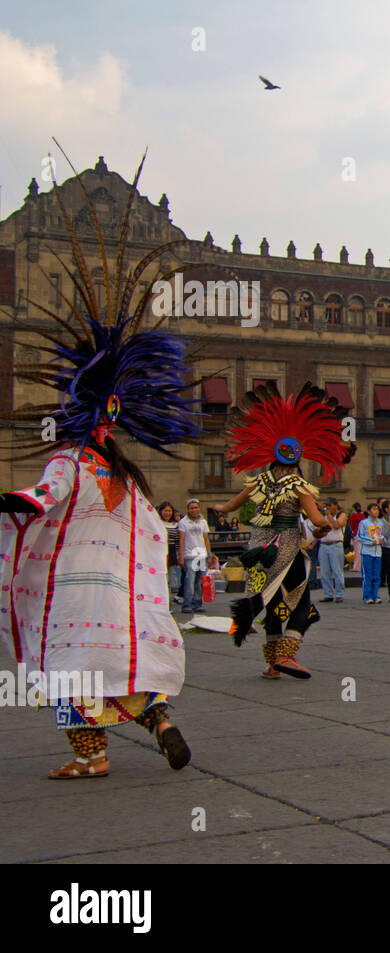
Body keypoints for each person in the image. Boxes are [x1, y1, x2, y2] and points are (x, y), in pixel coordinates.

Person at [0, 188, 202, 778]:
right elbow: (151, 534)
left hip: (71, 592)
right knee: (121, 665)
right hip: (120, 593)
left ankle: (90, 758)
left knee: (68, 666)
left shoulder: (72, 461)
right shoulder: (125, 475)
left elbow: (43, 497)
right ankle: (158, 719)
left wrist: (8, 502)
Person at [214, 382, 354, 678]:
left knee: (276, 605)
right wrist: (330, 523)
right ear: (298, 457)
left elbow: (228, 507)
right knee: (303, 606)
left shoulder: (258, 482)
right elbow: (316, 520)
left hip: (260, 546)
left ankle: (271, 663)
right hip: (288, 548)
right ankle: (287, 656)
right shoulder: (299, 485)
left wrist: (220, 510)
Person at [177, 499, 214, 614]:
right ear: (188, 509)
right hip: (190, 555)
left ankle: (197, 603)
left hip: (202, 555)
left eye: (196, 507)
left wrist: (209, 554)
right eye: (191, 508)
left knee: (200, 581)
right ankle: (187, 604)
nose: (194, 510)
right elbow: (181, 539)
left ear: (199, 508)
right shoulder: (183, 522)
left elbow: (206, 539)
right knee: (190, 581)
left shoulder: (203, 522)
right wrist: (181, 556)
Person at [317, 498, 348, 602]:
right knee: (324, 572)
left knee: (337, 570)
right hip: (324, 545)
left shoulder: (341, 515)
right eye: (327, 506)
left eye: (329, 505)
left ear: (335, 505)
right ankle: (328, 594)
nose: (328, 508)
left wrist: (329, 515)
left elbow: (336, 525)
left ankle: (339, 594)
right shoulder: (323, 516)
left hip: (336, 545)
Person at [356, 503, 385, 603]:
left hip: (377, 553)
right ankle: (367, 596)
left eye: (377, 509)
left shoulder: (380, 523)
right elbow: (359, 536)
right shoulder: (364, 523)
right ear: (369, 511)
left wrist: (382, 540)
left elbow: (382, 535)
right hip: (367, 552)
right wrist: (370, 541)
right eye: (373, 509)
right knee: (367, 575)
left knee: (376, 575)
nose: (376, 511)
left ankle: (375, 595)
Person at [158, 502, 182, 606]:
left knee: (170, 578)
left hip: (171, 551)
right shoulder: (157, 523)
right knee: (161, 578)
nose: (167, 513)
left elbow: (177, 541)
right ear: (161, 511)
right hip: (160, 551)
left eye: (169, 511)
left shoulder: (175, 525)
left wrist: (178, 554)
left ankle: (168, 603)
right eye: (165, 511)